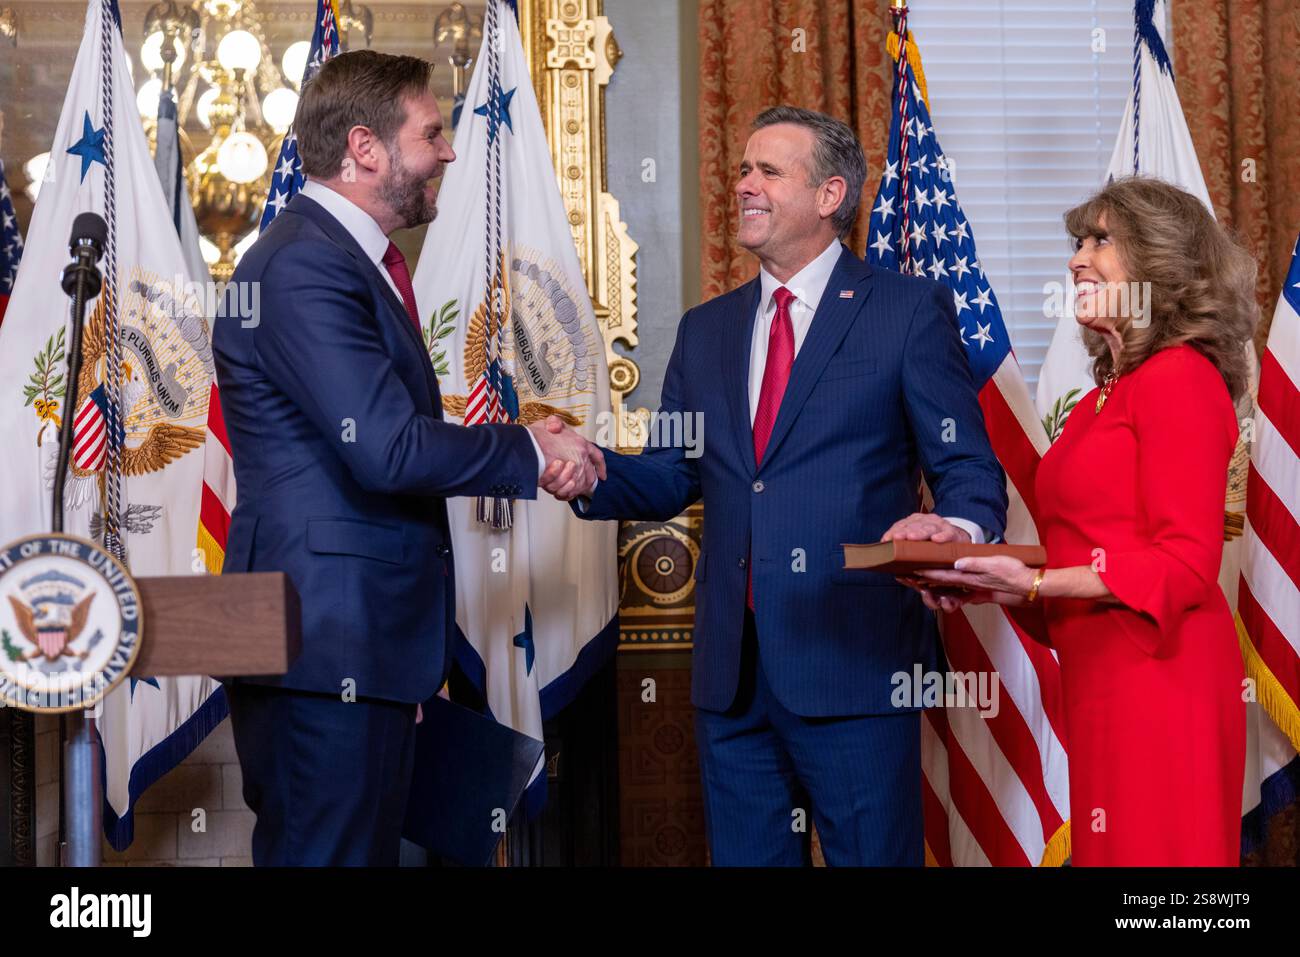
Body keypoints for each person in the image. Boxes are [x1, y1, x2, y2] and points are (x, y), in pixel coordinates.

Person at [544, 106, 1007, 865]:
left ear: (830, 195)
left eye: (768, 171)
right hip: (733, 675)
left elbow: (967, 467)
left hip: (855, 666)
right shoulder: (707, 329)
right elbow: (673, 471)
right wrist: (590, 468)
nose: (745, 185)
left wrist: (955, 530)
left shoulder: (904, 311)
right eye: (742, 170)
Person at [212, 50, 603, 865]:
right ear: (365, 147)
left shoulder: (349, 260)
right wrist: (532, 449)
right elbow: (385, 448)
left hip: (363, 648)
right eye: (432, 133)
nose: (449, 152)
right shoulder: (304, 266)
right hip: (322, 646)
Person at [912, 176, 1255, 865]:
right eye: (1078, 240)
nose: (1076, 257)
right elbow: (1082, 553)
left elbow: (1185, 563)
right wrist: (982, 576)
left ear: (1160, 263)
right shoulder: (1103, 398)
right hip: (1100, 675)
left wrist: (1036, 585)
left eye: (1100, 239)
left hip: (1163, 677)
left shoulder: (1179, 377)